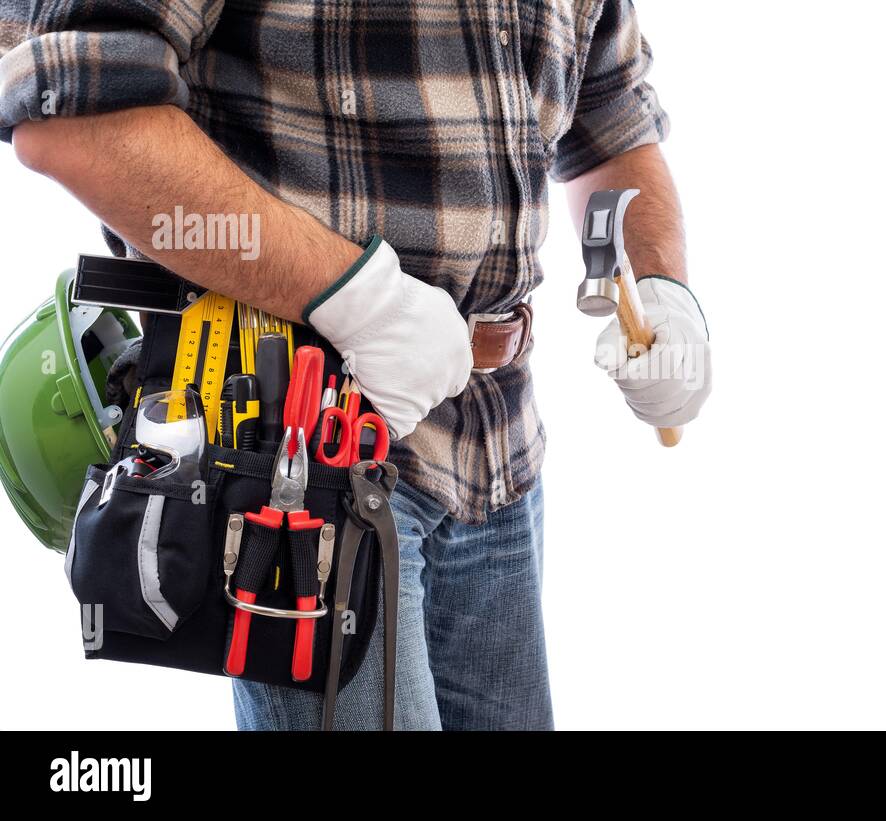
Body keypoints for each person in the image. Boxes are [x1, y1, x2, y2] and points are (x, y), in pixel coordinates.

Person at [0, 0, 711, 730]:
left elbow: (610, 124)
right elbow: (72, 116)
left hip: (496, 448)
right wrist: (356, 298)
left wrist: (659, 285)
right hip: (302, 455)